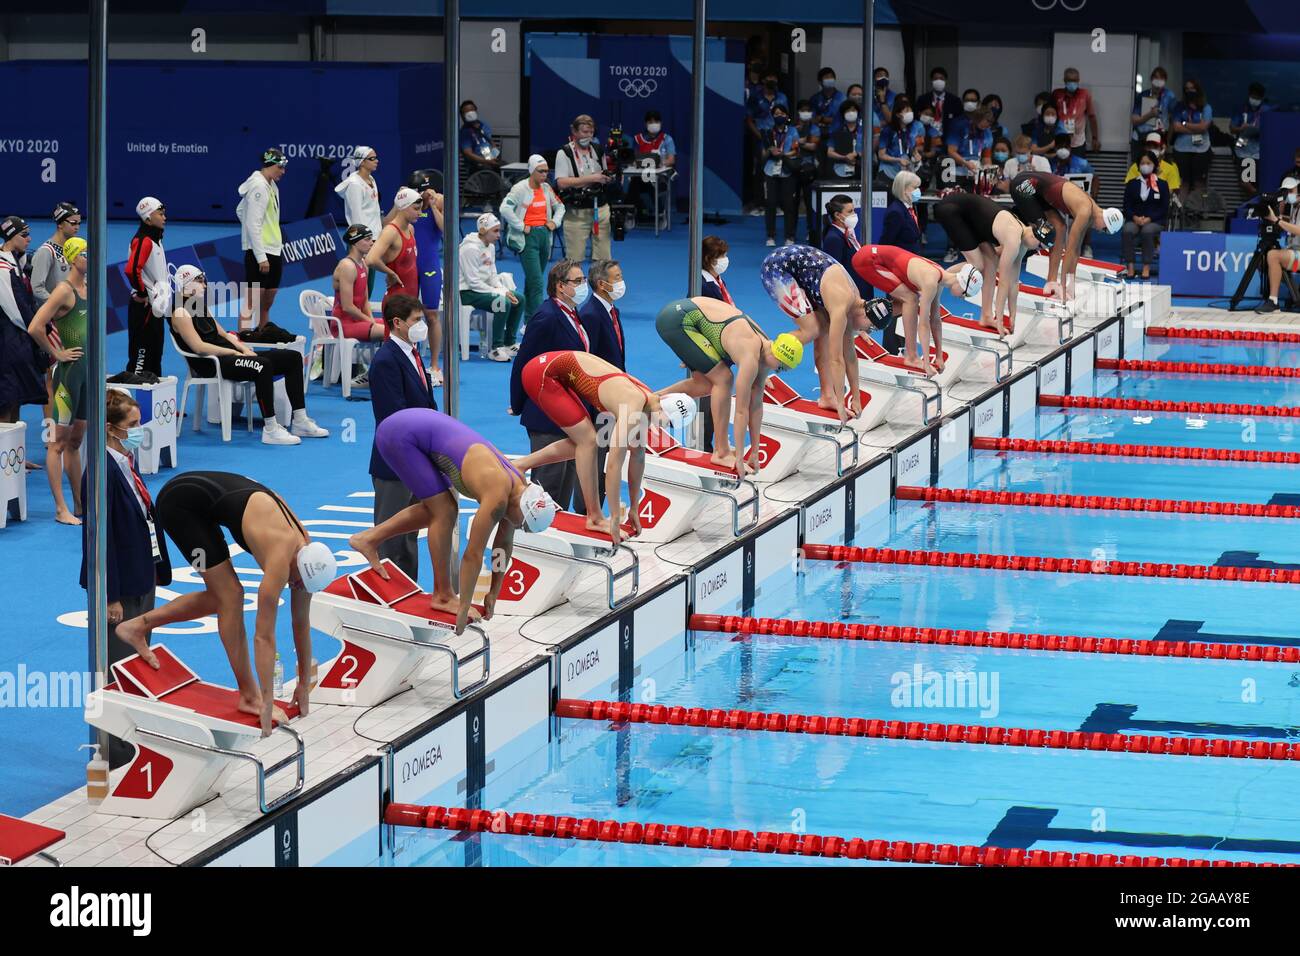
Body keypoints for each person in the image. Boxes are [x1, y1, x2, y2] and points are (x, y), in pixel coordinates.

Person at [116, 471, 338, 736]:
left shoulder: (308, 561)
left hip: (210, 504)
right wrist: (266, 702)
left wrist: (304, 683)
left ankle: (137, 626)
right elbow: (263, 638)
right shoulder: (280, 561)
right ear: (297, 567)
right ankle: (249, 697)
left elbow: (301, 622)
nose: (297, 588)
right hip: (180, 504)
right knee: (230, 595)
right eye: (298, 583)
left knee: (224, 596)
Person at [351, 408, 559, 634]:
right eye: (524, 524)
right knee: (445, 511)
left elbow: (503, 545)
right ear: (524, 508)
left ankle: (368, 539)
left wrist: (494, 591)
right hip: (399, 434)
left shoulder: (519, 490)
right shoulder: (498, 494)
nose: (521, 527)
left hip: (417, 427)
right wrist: (464, 607)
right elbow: (473, 555)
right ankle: (442, 595)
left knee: (440, 507)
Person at [79, 388, 173, 766]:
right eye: (133, 425)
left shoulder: (125, 461)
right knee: (117, 670)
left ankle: (135, 740)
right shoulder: (100, 472)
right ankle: (115, 753)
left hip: (142, 574)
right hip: (120, 588)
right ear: (110, 428)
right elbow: (100, 541)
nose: (140, 430)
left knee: (136, 663)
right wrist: (110, 595)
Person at [514, 351, 695, 545]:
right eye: (668, 423)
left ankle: (520, 465)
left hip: (555, 372)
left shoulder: (649, 403)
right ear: (661, 409)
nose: (664, 428)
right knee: (589, 441)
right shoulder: (633, 407)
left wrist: (634, 506)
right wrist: (615, 516)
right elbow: (613, 466)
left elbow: (638, 456)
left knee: (585, 441)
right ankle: (594, 517)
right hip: (541, 374)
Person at [169, 265, 328, 445]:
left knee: (292, 357)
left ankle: (300, 420)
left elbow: (223, 334)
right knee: (263, 366)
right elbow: (199, 348)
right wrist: (234, 352)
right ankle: (270, 429)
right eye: (199, 281)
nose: (204, 285)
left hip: (230, 356)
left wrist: (243, 349)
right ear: (185, 283)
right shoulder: (180, 312)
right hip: (212, 363)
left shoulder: (199, 306)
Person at [656, 295, 801, 473]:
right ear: (777, 355)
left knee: (704, 385)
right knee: (723, 379)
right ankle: (721, 451)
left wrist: (754, 450)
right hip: (678, 319)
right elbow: (741, 411)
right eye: (781, 367)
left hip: (693, 321)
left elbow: (755, 406)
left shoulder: (767, 351)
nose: (778, 371)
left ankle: (651, 400)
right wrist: (739, 458)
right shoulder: (750, 355)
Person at [508, 259, 592, 509]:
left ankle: (558, 538)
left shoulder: (571, 314)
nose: (582, 285)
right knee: (548, 487)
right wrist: (518, 403)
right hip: (546, 412)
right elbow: (524, 362)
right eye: (577, 281)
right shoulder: (546, 317)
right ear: (559, 286)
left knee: (564, 484)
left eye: (583, 280)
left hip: (569, 410)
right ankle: (536, 543)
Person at [367, 294, 438, 579]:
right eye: (416, 321)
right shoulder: (386, 360)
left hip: (417, 458)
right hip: (395, 461)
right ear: (397, 323)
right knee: (389, 534)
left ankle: (408, 590)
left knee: (409, 535)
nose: (422, 326)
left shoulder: (412, 353)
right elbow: (393, 417)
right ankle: (386, 595)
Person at [760, 243, 873, 421]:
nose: (866, 331)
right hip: (779, 268)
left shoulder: (855, 302)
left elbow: (850, 355)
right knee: (813, 329)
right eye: (869, 327)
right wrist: (842, 404)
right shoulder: (842, 305)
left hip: (806, 270)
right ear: (864, 314)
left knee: (825, 328)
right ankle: (760, 364)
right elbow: (837, 359)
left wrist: (856, 397)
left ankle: (827, 396)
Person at [27, 236, 89, 524]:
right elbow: (35, 327)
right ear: (75, 258)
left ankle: (79, 503)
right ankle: (60, 508)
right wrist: (57, 353)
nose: (91, 258)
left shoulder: (89, 289)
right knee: (57, 443)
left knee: (76, 440)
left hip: (87, 376)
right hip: (67, 378)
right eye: (86, 254)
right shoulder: (63, 292)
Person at [853, 243, 981, 375]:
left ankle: (857, 324)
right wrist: (925, 362)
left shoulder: (940, 278)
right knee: (911, 299)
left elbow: (935, 320)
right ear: (962, 283)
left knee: (902, 304)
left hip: (875, 258)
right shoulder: (931, 282)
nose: (963, 298)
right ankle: (911, 356)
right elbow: (924, 324)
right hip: (868, 260)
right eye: (966, 294)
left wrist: (939, 356)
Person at [934, 191, 1046, 334]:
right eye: (1040, 246)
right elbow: (1004, 282)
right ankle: (935, 277)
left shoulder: (1023, 241)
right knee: (978, 265)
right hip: (952, 210)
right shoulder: (1014, 239)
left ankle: (986, 316)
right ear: (1035, 236)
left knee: (991, 260)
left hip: (970, 216)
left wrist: (1012, 315)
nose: (1037, 249)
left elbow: (1013, 282)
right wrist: (999, 320)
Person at [1008, 171, 1122, 300]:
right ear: (1105, 219)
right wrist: (1064, 285)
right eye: (1105, 230)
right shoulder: (1085, 211)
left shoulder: (1090, 212)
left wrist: (1071, 282)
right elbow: (1069, 250)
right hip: (1024, 186)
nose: (1101, 231)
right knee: (1043, 234)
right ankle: (1004, 259)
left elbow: (1076, 250)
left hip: (1036, 190)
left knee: (1060, 227)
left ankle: (1051, 282)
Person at [500, 154, 565, 334]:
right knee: (536, 282)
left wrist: (555, 222)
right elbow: (504, 208)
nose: (545, 174)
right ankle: (537, 323)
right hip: (527, 239)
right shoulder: (519, 189)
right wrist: (521, 226)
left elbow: (560, 207)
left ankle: (528, 322)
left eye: (546, 171)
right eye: (541, 171)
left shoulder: (546, 188)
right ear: (531, 171)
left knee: (532, 281)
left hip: (544, 235)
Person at [236, 148, 290, 338]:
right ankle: (243, 336)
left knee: (268, 300)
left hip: (274, 249)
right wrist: (260, 256)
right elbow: (252, 222)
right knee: (251, 301)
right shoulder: (258, 186)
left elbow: (240, 211)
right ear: (269, 165)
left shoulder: (272, 185)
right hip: (261, 253)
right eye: (280, 167)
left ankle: (263, 331)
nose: (283, 172)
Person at [0, 216, 46, 428]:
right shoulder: (3, 267)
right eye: (24, 235)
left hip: (18, 335)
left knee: (17, 393)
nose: (29, 239)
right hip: (8, 336)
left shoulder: (17, 260)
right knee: (6, 397)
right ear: (10, 237)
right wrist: (37, 330)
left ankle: (15, 458)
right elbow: (15, 310)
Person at [117, 196, 169, 382]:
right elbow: (131, 269)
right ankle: (135, 400)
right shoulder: (144, 240)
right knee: (141, 356)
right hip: (144, 307)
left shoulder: (156, 240)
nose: (165, 217)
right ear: (147, 219)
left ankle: (157, 404)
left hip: (155, 306)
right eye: (160, 214)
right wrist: (141, 292)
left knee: (156, 353)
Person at [459, 213, 523, 361]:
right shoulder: (469, 249)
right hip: (467, 292)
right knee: (502, 302)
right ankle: (496, 348)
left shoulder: (491, 247)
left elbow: (493, 275)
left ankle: (509, 343)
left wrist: (504, 290)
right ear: (483, 231)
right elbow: (473, 281)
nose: (499, 235)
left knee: (520, 299)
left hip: (483, 290)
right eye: (495, 231)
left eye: (499, 231)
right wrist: (500, 293)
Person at [876, 173, 925, 354]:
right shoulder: (895, 212)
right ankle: (891, 347)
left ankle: (903, 344)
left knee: (908, 308)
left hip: (910, 268)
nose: (918, 191)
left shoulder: (910, 209)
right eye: (914, 187)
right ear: (904, 189)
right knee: (896, 307)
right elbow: (885, 243)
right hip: (897, 270)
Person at [554, 114, 614, 263]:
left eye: (591, 132)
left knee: (603, 261)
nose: (588, 136)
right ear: (574, 132)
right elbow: (561, 183)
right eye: (584, 132)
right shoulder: (564, 153)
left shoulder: (598, 150)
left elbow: (604, 175)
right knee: (574, 263)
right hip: (576, 213)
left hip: (600, 209)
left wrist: (609, 177)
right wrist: (592, 178)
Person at [409, 169, 447, 386]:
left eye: (426, 191)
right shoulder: (408, 201)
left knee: (431, 314)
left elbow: (444, 229)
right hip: (409, 264)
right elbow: (389, 224)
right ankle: (412, 361)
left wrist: (432, 205)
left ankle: (434, 365)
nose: (423, 195)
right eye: (420, 191)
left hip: (429, 264)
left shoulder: (439, 200)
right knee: (409, 314)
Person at [368, 186, 423, 317]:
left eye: (420, 208)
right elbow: (370, 259)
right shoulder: (391, 232)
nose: (420, 213)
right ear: (403, 207)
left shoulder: (410, 229)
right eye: (416, 209)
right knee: (395, 338)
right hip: (396, 303)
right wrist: (391, 273)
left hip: (411, 299)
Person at [331, 224, 384, 360]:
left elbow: (365, 300)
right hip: (343, 324)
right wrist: (370, 322)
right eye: (367, 239)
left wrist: (371, 320)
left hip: (358, 321)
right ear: (354, 243)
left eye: (371, 239)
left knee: (400, 328)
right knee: (389, 332)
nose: (372, 243)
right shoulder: (347, 266)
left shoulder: (364, 264)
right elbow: (348, 307)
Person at [335, 147, 382, 297]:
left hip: (372, 241)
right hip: (360, 242)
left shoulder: (371, 180)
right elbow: (356, 218)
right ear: (362, 162)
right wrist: (364, 243)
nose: (376, 161)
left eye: (375, 157)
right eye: (372, 158)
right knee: (356, 288)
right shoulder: (355, 185)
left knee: (368, 287)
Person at [1121, 152, 1170, 280]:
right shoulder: (1132, 184)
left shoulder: (1162, 184)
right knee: (1127, 230)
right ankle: (1130, 266)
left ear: (1155, 165)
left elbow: (1164, 208)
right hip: (1135, 219)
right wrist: (1135, 218)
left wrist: (1149, 218)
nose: (1145, 166)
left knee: (1147, 232)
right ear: (1138, 166)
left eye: (1148, 163)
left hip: (1155, 221)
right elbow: (1126, 206)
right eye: (1143, 163)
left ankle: (1146, 267)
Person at [1256, 179, 1300, 313]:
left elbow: (1298, 230)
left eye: (1291, 191)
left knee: (1273, 256)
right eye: (1286, 192)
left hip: (1299, 257)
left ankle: (1273, 301)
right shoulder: (1294, 206)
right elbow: (1289, 223)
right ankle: (1296, 293)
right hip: (1295, 254)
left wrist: (1276, 220)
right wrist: (1277, 215)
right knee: (1262, 261)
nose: (1288, 195)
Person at [628, 110, 677, 226]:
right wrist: (635, 163)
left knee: (649, 181)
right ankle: (630, 214)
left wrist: (661, 163)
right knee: (635, 181)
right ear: (646, 124)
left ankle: (660, 213)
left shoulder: (667, 139)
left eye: (656, 121)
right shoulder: (638, 139)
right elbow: (633, 158)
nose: (653, 124)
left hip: (661, 176)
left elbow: (671, 160)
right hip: (641, 175)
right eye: (650, 121)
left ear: (661, 123)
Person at [762, 103, 801, 247]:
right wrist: (771, 151)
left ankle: (789, 236)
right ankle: (770, 235)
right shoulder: (767, 132)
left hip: (787, 170)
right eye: (776, 114)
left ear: (787, 116)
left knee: (788, 205)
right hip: (770, 170)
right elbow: (763, 153)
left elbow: (796, 150)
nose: (779, 116)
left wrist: (782, 153)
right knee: (770, 203)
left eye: (782, 113)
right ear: (772, 116)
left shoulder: (792, 131)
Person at [30, 202, 81, 305]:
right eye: (73, 223)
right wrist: (60, 305)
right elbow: (36, 289)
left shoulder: (77, 248)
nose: (77, 227)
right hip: (56, 316)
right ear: (60, 224)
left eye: (79, 223)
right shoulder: (46, 252)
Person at [1171, 79, 1213, 201]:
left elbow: (1204, 127)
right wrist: (1197, 128)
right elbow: (1176, 127)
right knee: (1184, 182)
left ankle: (1197, 211)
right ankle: (1181, 212)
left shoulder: (1206, 107)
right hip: (1182, 149)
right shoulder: (1179, 107)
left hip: (1201, 150)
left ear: (1198, 90)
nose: (1190, 91)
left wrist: (1185, 124)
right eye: (1187, 89)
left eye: (1192, 88)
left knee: (1199, 182)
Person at [1229, 83, 1268, 197]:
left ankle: (1258, 203)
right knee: (1245, 182)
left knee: (1258, 181)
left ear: (1262, 98)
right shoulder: (1241, 108)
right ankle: (1258, 197)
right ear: (1249, 95)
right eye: (1253, 97)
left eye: (1257, 98)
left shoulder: (1267, 110)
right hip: (1243, 146)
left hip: (1261, 150)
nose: (1254, 100)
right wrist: (1241, 128)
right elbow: (1232, 128)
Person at [1131, 67, 1176, 160]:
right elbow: (1134, 120)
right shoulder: (1143, 95)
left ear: (1164, 81)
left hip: (1159, 137)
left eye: (1161, 79)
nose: (1158, 82)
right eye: (1156, 78)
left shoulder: (1169, 96)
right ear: (1152, 79)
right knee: (1138, 167)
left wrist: (1168, 140)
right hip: (1140, 136)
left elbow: (1173, 120)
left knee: (1157, 166)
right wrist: (1150, 115)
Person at [1052, 68, 1099, 154]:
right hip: (1060, 140)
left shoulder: (1084, 94)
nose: (1072, 83)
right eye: (1069, 80)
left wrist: (1095, 138)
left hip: (1078, 142)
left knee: (1077, 166)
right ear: (1064, 81)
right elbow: (1051, 115)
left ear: (1078, 80)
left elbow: (1092, 116)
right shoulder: (1057, 94)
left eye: (1074, 80)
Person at [877, 96, 923, 183]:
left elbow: (912, 149)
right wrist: (898, 160)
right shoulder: (888, 130)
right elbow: (881, 155)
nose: (910, 113)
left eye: (910, 110)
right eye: (906, 111)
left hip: (905, 175)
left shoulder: (912, 129)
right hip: (888, 173)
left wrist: (916, 155)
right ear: (898, 114)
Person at [946, 106, 995, 183]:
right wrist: (965, 163)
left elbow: (986, 157)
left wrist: (989, 172)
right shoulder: (959, 126)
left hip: (975, 173)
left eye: (987, 127)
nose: (984, 129)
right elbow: (951, 151)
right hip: (956, 171)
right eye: (982, 126)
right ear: (976, 120)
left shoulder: (987, 132)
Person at [914, 67, 960, 141]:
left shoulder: (955, 101)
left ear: (946, 81)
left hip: (948, 139)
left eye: (941, 79)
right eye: (935, 79)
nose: (939, 81)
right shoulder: (922, 99)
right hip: (927, 138)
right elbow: (916, 117)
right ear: (931, 81)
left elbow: (958, 120)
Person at [826, 100, 864, 182]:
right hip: (840, 169)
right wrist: (844, 157)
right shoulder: (837, 130)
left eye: (853, 110)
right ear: (843, 113)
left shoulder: (865, 130)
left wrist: (857, 155)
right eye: (848, 110)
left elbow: (870, 149)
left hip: (860, 169)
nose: (851, 113)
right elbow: (830, 153)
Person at [458, 100, 502, 172]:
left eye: (472, 110)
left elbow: (491, 142)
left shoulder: (483, 125)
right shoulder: (464, 132)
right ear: (462, 116)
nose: (470, 113)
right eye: (467, 112)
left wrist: (495, 156)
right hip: (478, 165)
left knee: (508, 168)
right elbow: (468, 154)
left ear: (476, 111)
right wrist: (487, 161)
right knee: (491, 170)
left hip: (490, 159)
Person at [809, 67, 845, 143]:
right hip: (818, 134)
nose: (829, 79)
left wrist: (823, 119)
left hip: (837, 133)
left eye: (831, 77)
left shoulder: (842, 98)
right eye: (826, 77)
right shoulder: (815, 99)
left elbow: (844, 119)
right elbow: (812, 118)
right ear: (820, 82)